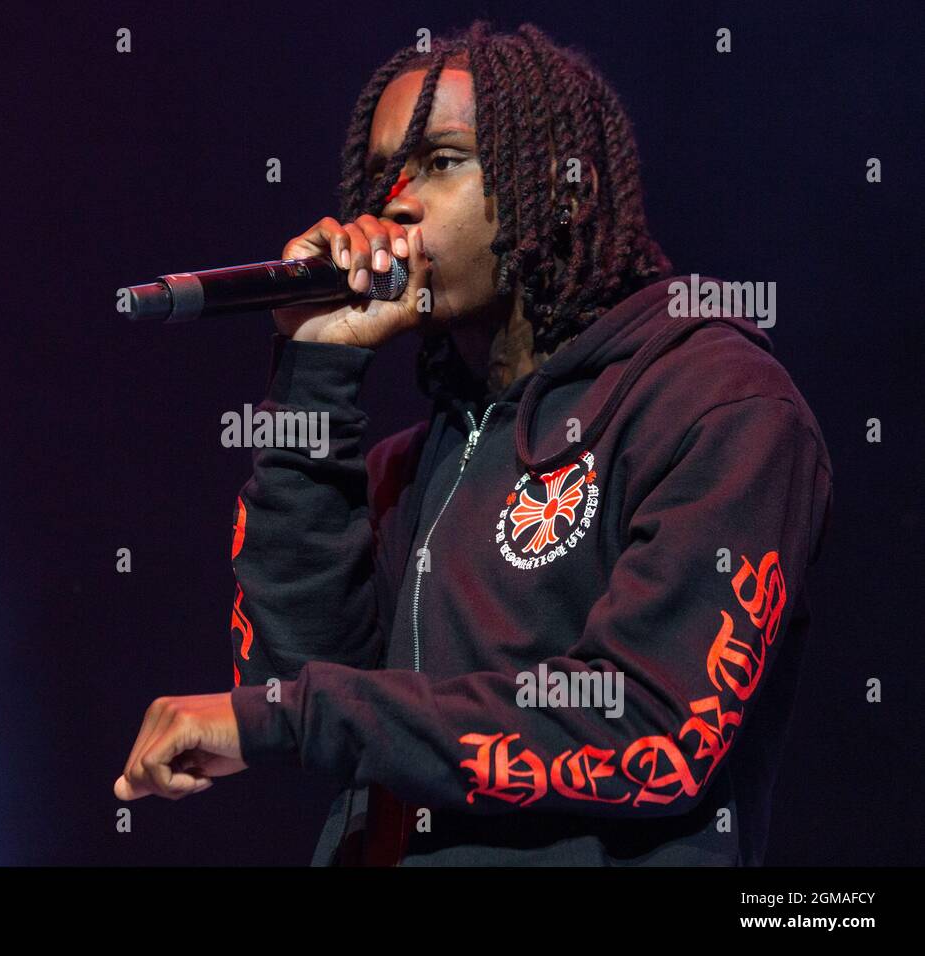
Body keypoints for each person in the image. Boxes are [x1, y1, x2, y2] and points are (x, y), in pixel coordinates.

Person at [114, 19, 833, 866]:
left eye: (443, 162)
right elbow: (289, 678)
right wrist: (313, 372)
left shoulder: (717, 403)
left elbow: (649, 732)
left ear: (565, 192)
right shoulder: (408, 466)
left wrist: (292, 717)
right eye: (383, 176)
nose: (397, 202)